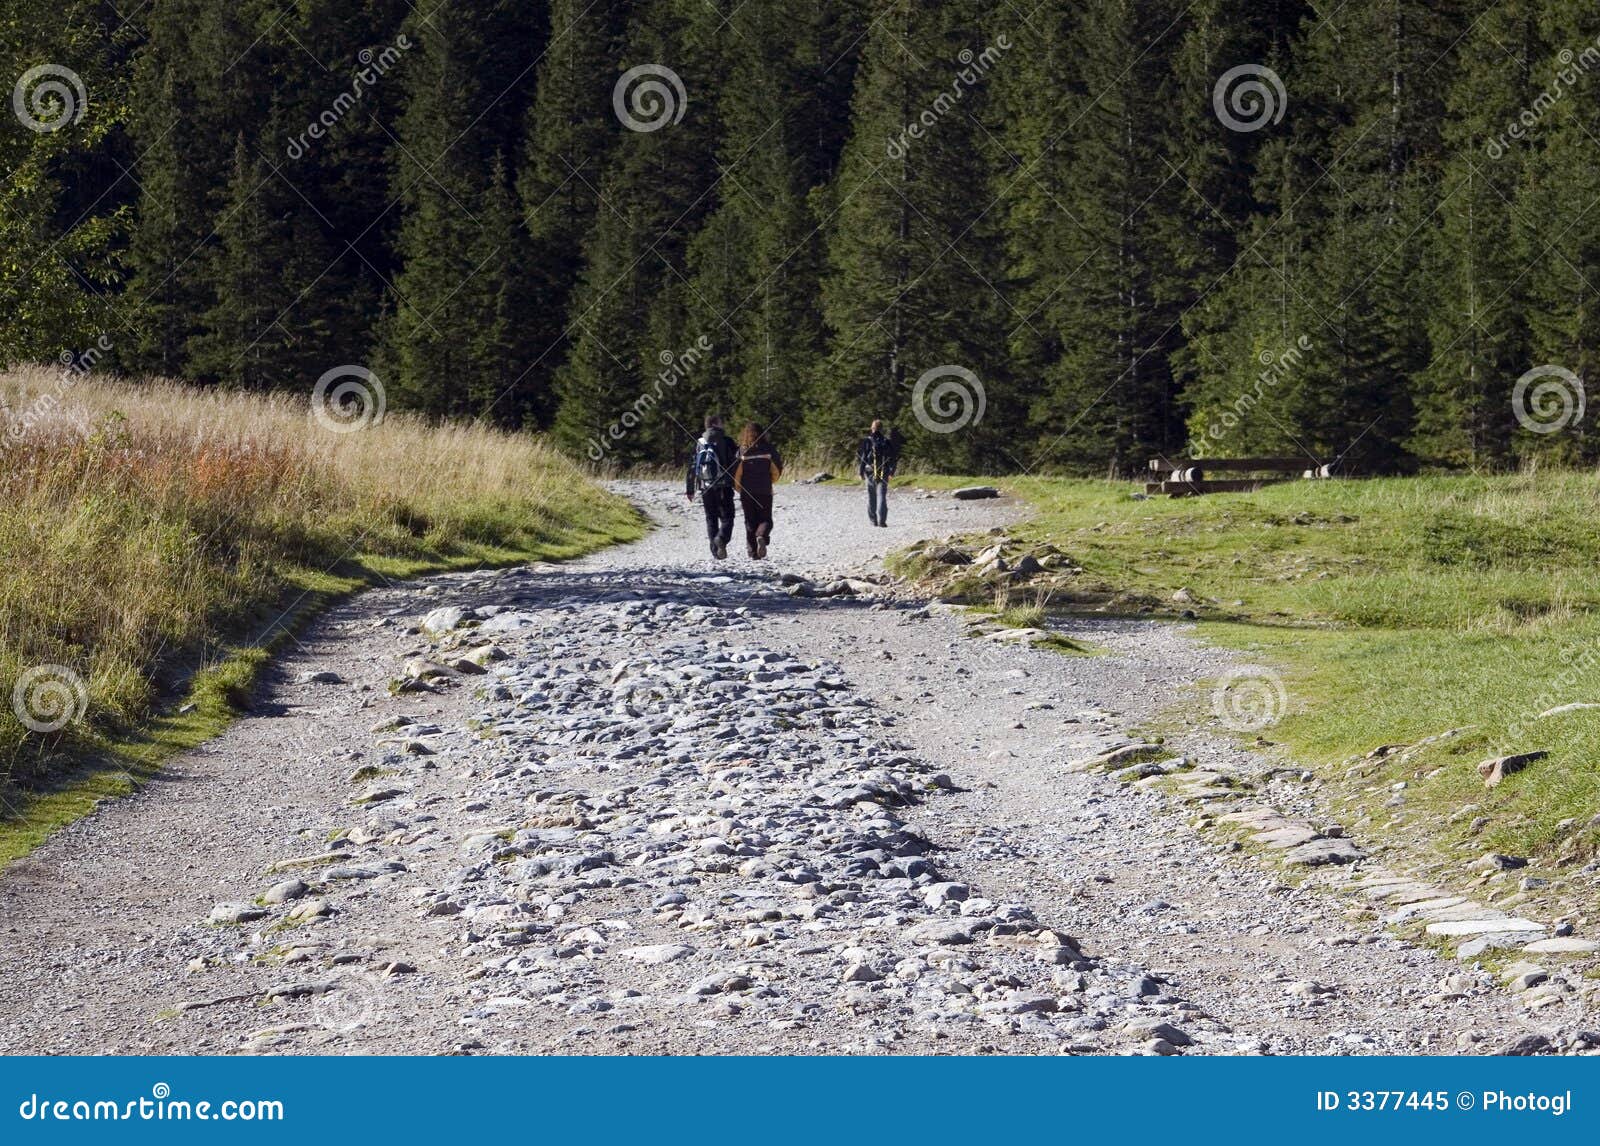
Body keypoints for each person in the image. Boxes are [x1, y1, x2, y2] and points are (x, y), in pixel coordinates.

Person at [686, 413, 738, 558]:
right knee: (728, 517)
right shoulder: (727, 441)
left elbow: (692, 466)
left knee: (711, 518)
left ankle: (715, 552)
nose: (724, 425)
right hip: (724, 486)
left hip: (705, 486)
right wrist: (736, 482)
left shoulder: (700, 442)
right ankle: (721, 539)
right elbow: (736, 463)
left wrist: (690, 489)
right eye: (722, 422)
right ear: (715, 424)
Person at [733, 422, 783, 559]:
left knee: (750, 521)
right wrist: (770, 481)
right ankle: (761, 535)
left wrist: (739, 488)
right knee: (766, 519)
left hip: (747, 491)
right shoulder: (769, 449)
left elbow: (736, 473)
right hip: (764, 489)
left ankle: (753, 553)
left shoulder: (742, 451)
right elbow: (777, 469)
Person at [857, 418, 898, 528]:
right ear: (881, 429)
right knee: (882, 496)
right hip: (884, 471)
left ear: (872, 428)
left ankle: (873, 520)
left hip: (869, 471)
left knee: (871, 496)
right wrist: (891, 472)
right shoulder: (887, 441)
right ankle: (882, 521)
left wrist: (860, 472)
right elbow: (893, 458)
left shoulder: (867, 441)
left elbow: (863, 458)